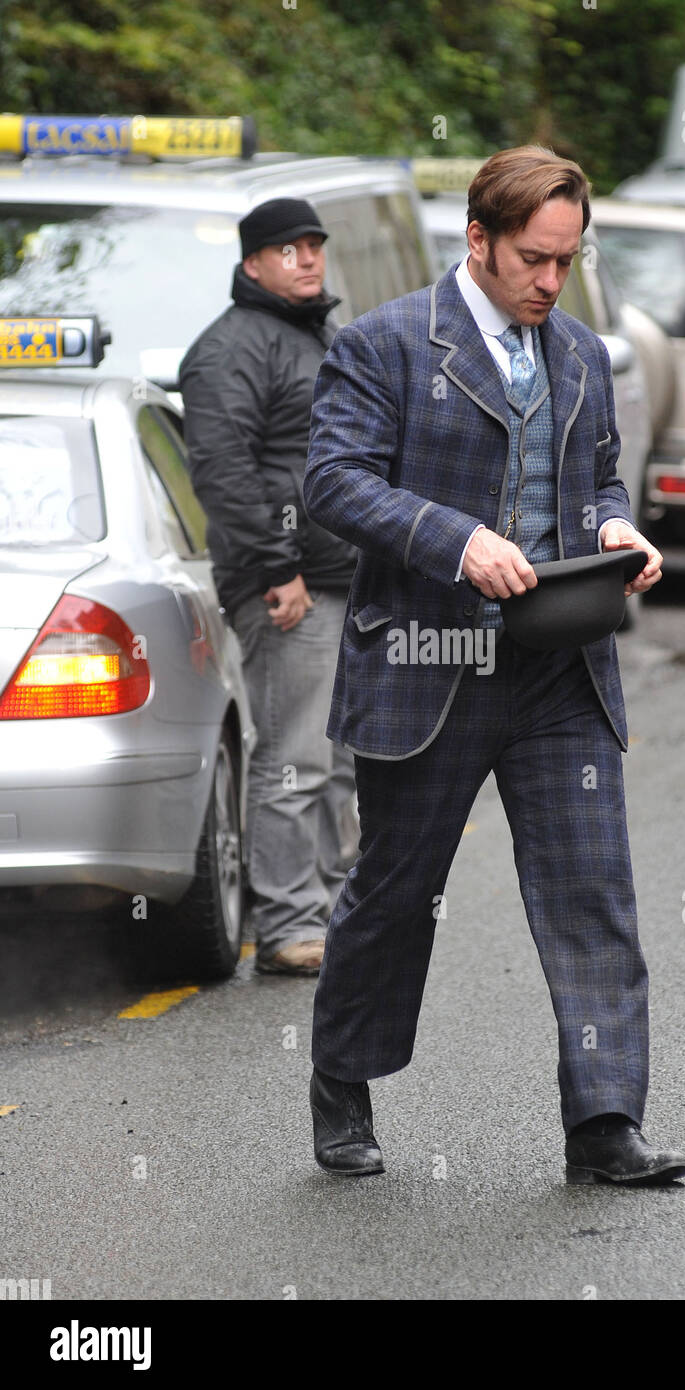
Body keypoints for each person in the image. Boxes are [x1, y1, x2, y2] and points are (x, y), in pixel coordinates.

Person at [303, 147, 685, 1183]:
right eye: (532, 259)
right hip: (428, 662)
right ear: (476, 240)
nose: (549, 283)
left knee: (591, 890)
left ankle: (604, 1123)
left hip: (559, 668)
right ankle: (341, 1077)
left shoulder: (578, 353)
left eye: (565, 262)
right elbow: (333, 482)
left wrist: (619, 532)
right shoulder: (385, 345)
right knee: (395, 893)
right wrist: (454, 538)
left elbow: (598, 478)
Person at [179, 198, 358, 976]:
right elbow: (222, 472)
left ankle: (330, 912)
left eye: (313, 245)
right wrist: (273, 570)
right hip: (289, 587)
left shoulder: (308, 334)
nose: (307, 259)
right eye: (288, 249)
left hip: (338, 580)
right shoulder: (229, 350)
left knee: (341, 761)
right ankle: (288, 926)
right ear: (252, 263)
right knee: (295, 759)